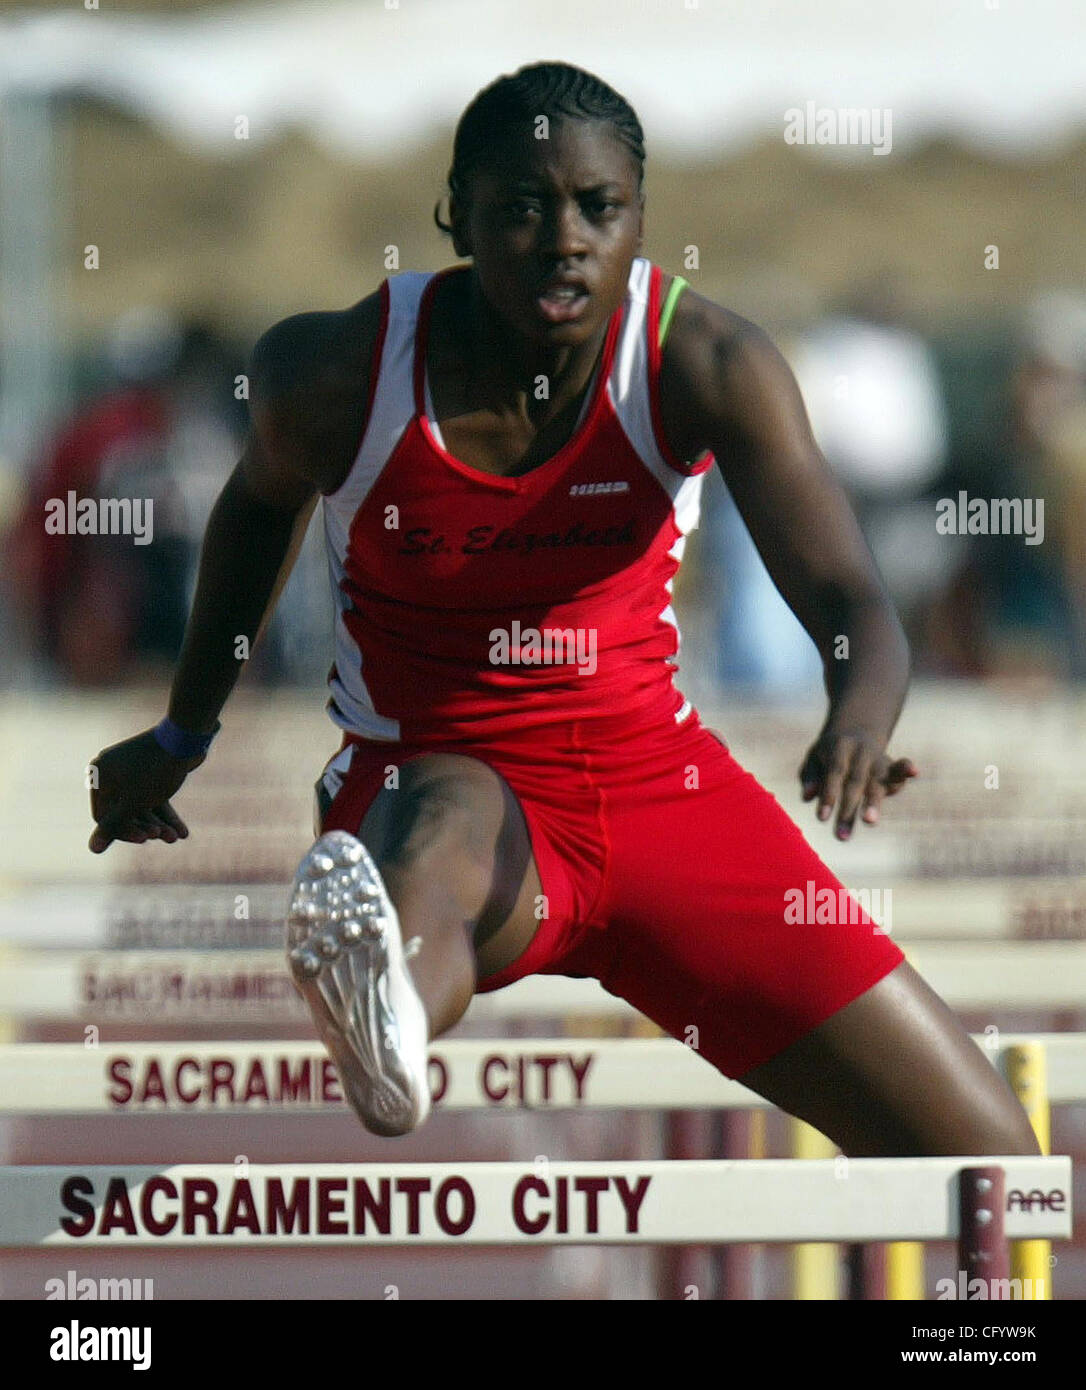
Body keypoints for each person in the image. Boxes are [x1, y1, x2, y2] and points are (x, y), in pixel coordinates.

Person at [88, 62, 1039, 1160]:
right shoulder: (337, 370)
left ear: (640, 220)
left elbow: (849, 595)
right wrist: (182, 732)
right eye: (523, 209)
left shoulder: (707, 360)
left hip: (660, 795)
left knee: (990, 1163)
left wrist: (859, 718)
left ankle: (981, 1337)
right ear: (457, 217)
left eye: (600, 208)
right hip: (434, 774)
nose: (565, 240)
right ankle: (385, 1005)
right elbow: (254, 519)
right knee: (445, 824)